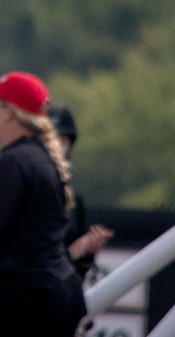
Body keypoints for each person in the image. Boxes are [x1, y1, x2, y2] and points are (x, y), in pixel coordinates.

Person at [0, 72, 87, 337]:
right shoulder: (41, 158)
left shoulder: (15, 161)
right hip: (54, 294)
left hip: (26, 300)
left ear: (9, 112)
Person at [48, 104, 114, 280]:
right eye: (50, 140)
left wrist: (87, 252)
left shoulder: (74, 201)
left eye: (62, 141)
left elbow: (76, 275)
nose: (56, 148)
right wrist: (72, 253)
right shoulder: (23, 192)